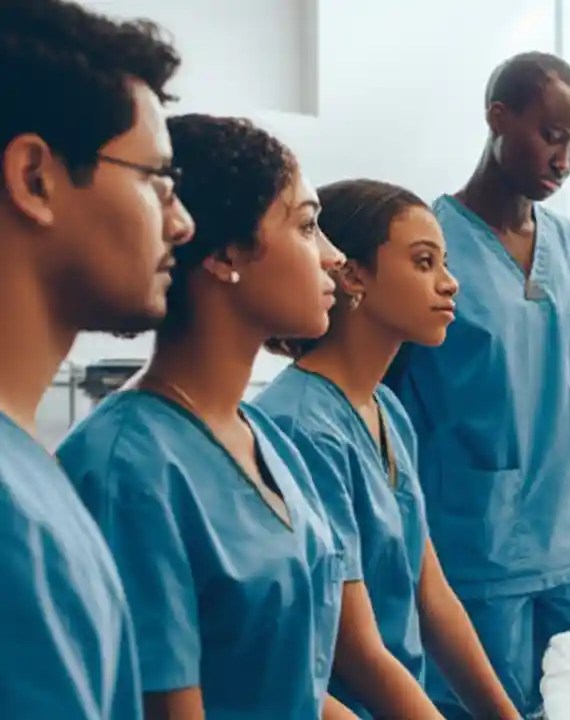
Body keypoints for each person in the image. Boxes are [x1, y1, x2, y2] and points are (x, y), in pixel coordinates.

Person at [56, 113, 354, 719]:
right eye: (307, 226)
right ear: (224, 253)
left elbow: (290, 681)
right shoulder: (128, 470)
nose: (333, 256)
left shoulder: (265, 440)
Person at [383, 51, 570, 717]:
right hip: (478, 545)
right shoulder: (431, 247)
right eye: (551, 135)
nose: (563, 161)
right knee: (484, 707)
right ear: (498, 118)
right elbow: (387, 390)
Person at [255, 178, 520, 719]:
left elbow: (433, 597)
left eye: (444, 263)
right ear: (352, 274)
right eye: (424, 263)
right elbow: (354, 651)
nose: (450, 285)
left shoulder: (386, 410)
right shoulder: (301, 427)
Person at [0, 1, 194, 716]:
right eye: (156, 181)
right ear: (35, 179)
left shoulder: (28, 476)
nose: (182, 221)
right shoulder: (12, 522)